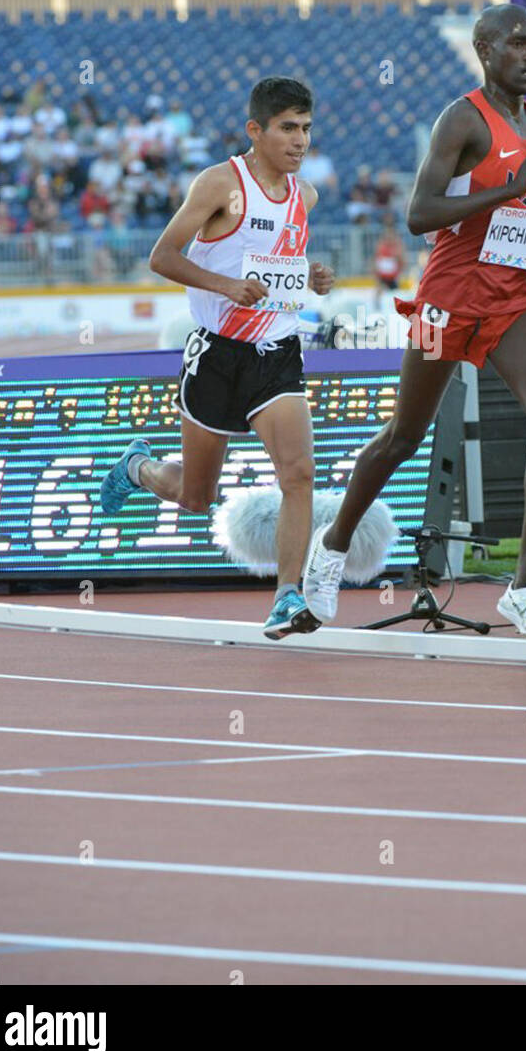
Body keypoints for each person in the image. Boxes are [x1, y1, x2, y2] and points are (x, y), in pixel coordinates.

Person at [303, 4, 526, 642]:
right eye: (517, 44)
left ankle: (524, 587)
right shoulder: (462, 119)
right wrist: (508, 191)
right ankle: (332, 548)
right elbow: (421, 214)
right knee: (403, 436)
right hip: (447, 298)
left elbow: (521, 209)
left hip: (514, 295)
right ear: (484, 49)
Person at [98, 77, 335, 640]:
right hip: (217, 355)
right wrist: (226, 286)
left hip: (276, 353)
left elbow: (283, 267)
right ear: (256, 130)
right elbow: (162, 256)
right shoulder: (220, 183)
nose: (299, 141)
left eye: (305, 129)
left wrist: (314, 277)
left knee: (298, 475)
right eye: (286, 129)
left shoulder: (307, 196)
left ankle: (287, 595)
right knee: (195, 496)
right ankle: (137, 467)